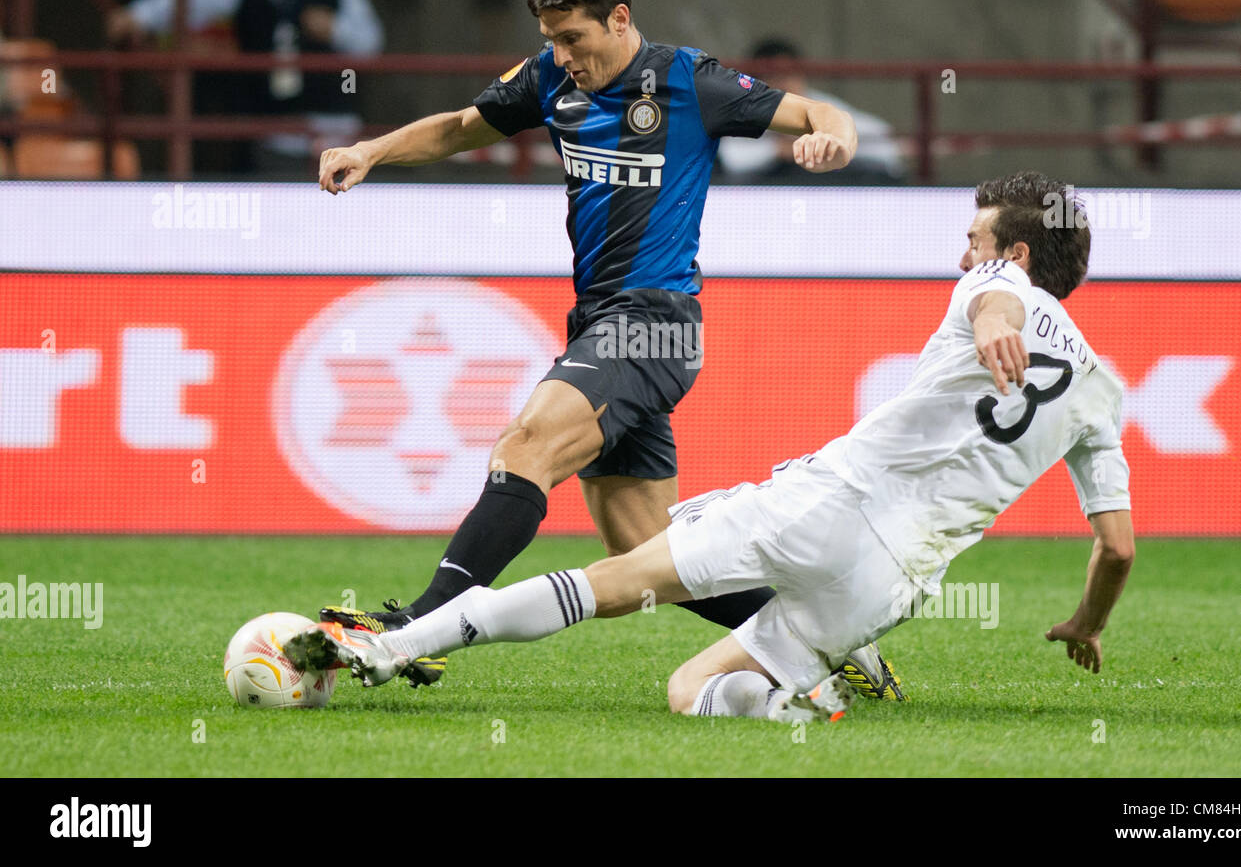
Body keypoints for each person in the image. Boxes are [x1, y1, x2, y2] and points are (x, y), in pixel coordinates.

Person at [285, 171, 1135, 723]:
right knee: (690, 693)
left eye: (978, 241)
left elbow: (999, 306)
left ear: (1015, 254)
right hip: (896, 582)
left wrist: (995, 326)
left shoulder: (998, 286)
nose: (966, 253)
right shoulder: (1103, 395)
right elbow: (1117, 548)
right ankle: (795, 706)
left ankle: (394, 646)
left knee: (613, 581)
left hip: (828, 505)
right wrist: (1084, 625)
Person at [309, 0, 905, 700]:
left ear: (619, 19)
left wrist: (834, 138)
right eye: (551, 39)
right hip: (598, 322)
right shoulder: (550, 76)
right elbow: (463, 126)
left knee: (527, 442)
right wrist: (370, 150)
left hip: (653, 322)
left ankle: (419, 627)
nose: (561, 56)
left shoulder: (688, 80)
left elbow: (816, 111)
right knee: (648, 552)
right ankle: (832, 642)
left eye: (574, 39)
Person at [106, 0, 383, 174]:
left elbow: (371, 43)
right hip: (271, 133)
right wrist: (138, 16)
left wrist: (334, 29)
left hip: (333, 133)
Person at [715, 38, 905, 185]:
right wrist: (779, 150)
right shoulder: (744, 108)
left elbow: (885, 146)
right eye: (773, 76)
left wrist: (834, 149)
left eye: (789, 74)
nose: (784, 83)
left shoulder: (822, 106)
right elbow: (731, 158)